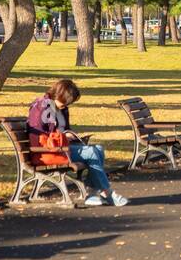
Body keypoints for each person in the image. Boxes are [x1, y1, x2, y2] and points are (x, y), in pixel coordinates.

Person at [27, 79, 127, 207]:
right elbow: (39, 139)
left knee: (98, 149)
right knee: (91, 152)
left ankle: (91, 194)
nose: (66, 105)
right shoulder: (42, 108)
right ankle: (107, 193)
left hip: (64, 147)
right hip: (48, 152)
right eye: (65, 102)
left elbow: (64, 129)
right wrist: (63, 137)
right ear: (57, 95)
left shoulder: (62, 109)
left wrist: (73, 137)